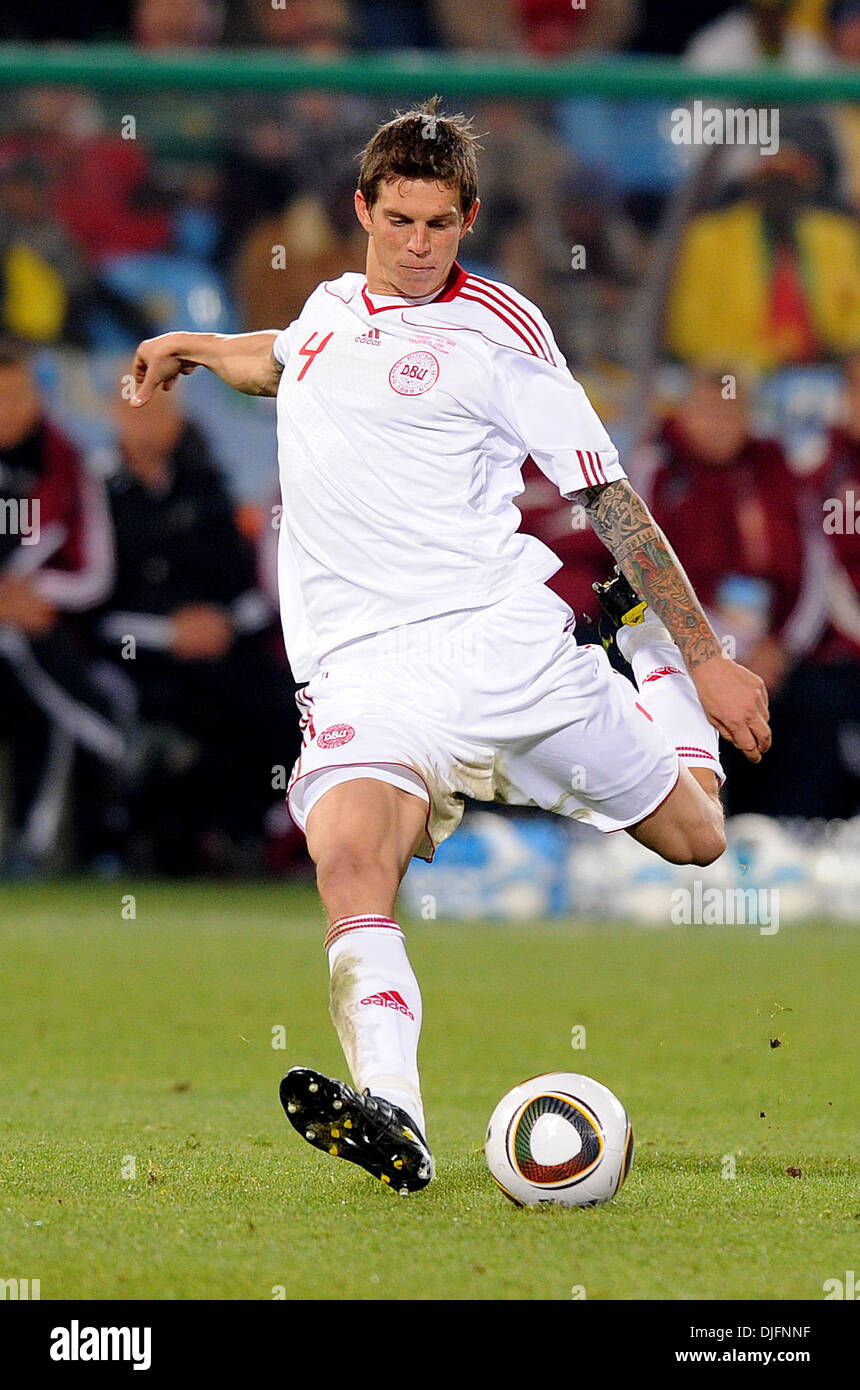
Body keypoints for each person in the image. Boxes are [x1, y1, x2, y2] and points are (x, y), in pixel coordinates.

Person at [129, 100, 770, 1196]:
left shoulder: (502, 333)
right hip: (364, 672)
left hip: (503, 652)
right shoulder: (330, 307)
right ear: (362, 212)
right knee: (348, 861)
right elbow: (282, 361)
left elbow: (604, 494)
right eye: (399, 222)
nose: (418, 245)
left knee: (696, 837)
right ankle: (396, 1116)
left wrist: (698, 651)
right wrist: (194, 344)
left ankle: (645, 661)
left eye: (439, 224)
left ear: (466, 218)